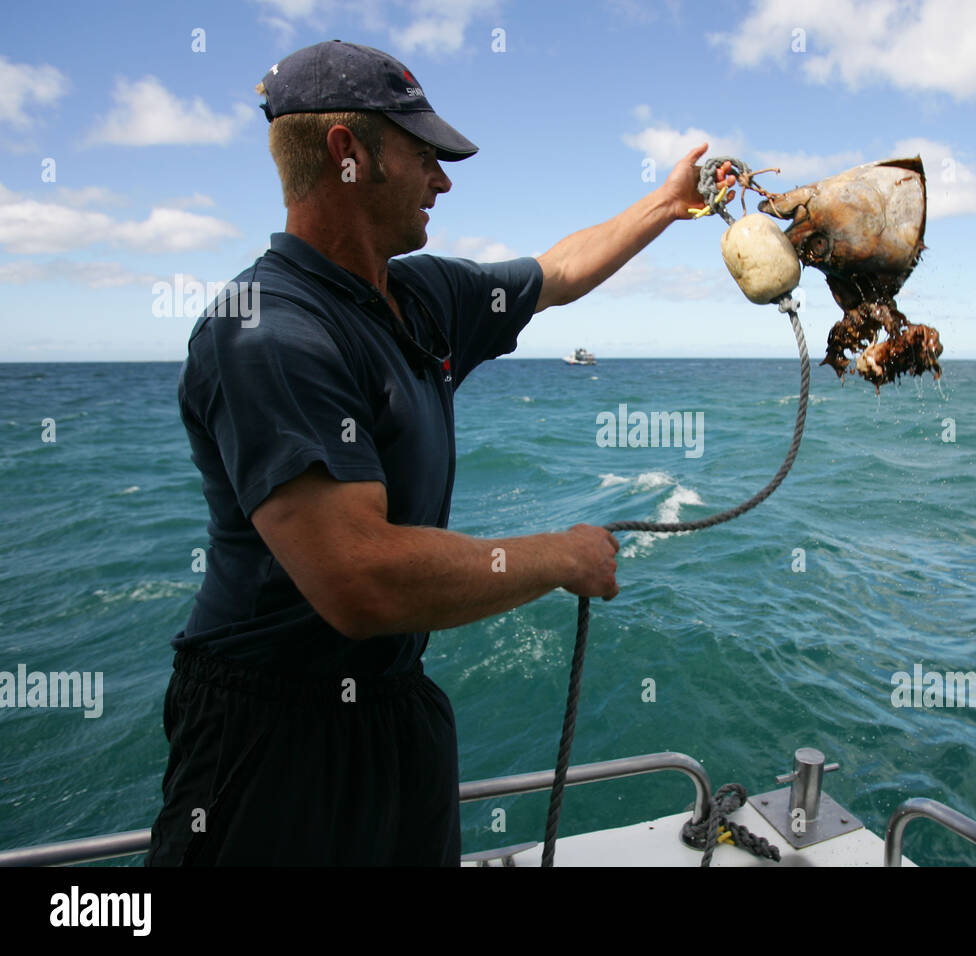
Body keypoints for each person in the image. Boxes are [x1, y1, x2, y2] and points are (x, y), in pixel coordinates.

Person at [144, 40, 736, 865]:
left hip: (394, 708)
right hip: (270, 739)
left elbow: (558, 271)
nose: (445, 179)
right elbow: (361, 578)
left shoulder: (422, 297)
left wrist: (666, 206)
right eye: (425, 155)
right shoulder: (266, 332)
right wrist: (560, 555)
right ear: (349, 156)